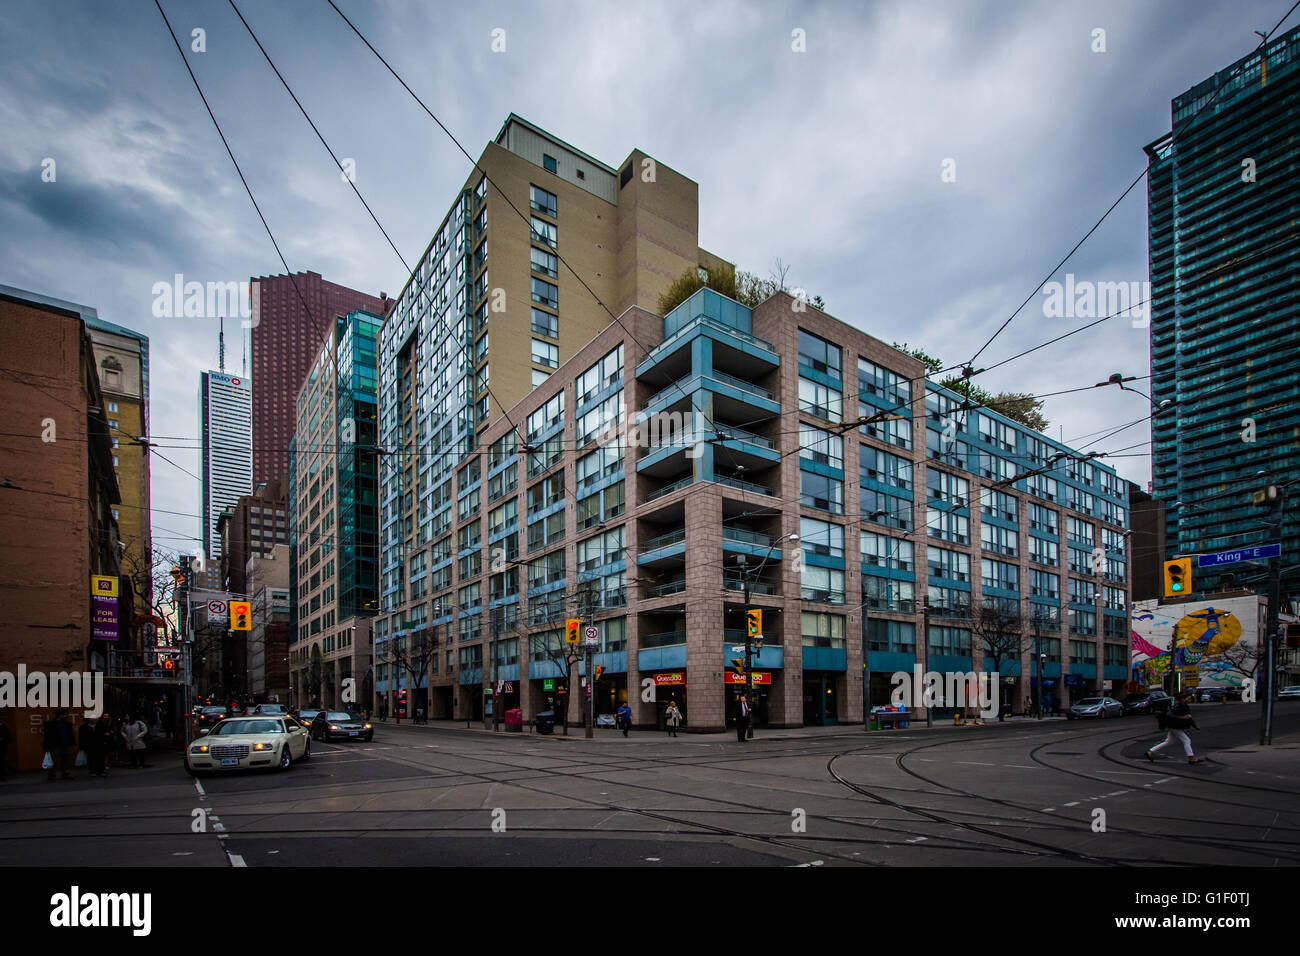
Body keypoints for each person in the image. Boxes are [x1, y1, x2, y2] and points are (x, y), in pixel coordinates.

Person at [1146, 690, 1202, 764]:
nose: (1190, 700)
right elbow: (1170, 716)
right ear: (1183, 699)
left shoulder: (1185, 707)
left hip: (1175, 726)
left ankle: (1150, 752)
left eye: (1190, 699)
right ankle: (1191, 758)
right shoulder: (1177, 707)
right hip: (1174, 726)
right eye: (1188, 699)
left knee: (1169, 742)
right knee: (1187, 740)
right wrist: (1183, 718)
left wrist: (1195, 726)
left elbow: (1189, 717)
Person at [43, 710, 75, 781]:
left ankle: (65, 774)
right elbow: (47, 736)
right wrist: (46, 746)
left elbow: (71, 735)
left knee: (66, 760)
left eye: (66, 715)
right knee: (53, 760)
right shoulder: (49, 724)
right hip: (54, 745)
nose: (66, 716)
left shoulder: (68, 724)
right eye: (64, 715)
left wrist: (72, 745)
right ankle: (51, 775)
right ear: (59, 715)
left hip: (66, 745)